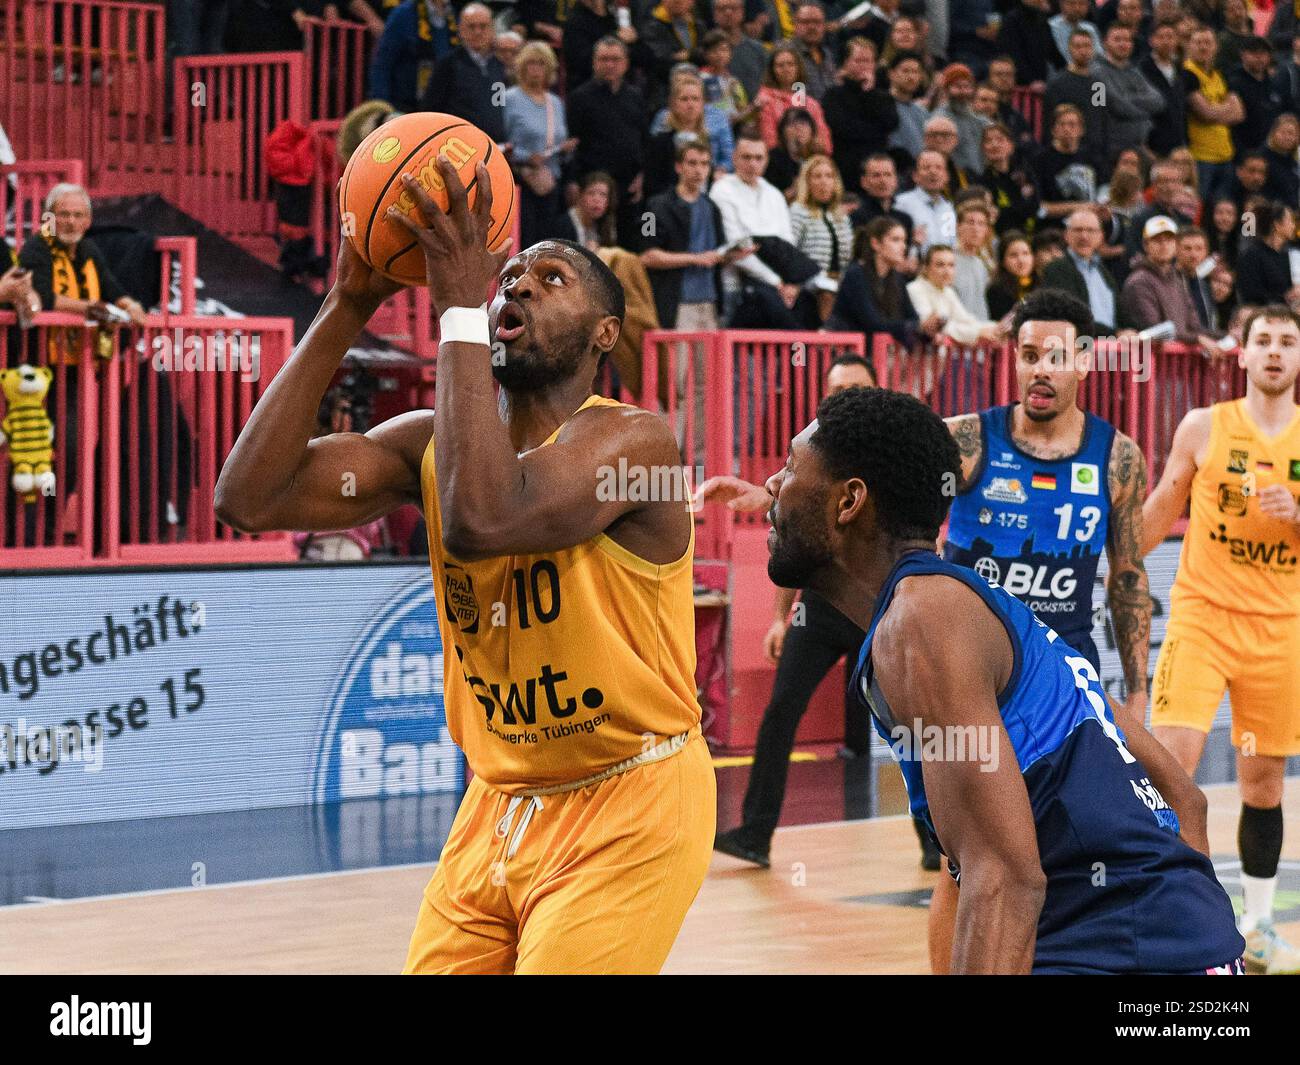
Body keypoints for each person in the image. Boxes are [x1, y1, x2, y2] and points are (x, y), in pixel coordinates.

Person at [215, 163, 715, 974]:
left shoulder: (637, 441)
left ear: (603, 335)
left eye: (549, 279)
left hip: (631, 800)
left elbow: (488, 517)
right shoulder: (428, 442)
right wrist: (348, 303)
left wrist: (456, 308)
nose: (515, 284)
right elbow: (247, 495)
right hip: (496, 804)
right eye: (510, 275)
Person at [714, 382, 1243, 974]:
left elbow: (1007, 879)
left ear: (849, 501)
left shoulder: (921, 621)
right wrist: (1208, 948)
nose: (772, 485)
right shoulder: (975, 610)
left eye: (789, 467)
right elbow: (1185, 801)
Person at [704, 356, 946, 869]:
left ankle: (934, 838)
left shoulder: (889, 459)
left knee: (913, 721)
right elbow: (795, 544)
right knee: (780, 713)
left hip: (871, 605)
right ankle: (755, 832)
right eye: (834, 389)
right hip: (819, 609)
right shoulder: (815, 461)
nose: (839, 398)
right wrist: (778, 616)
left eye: (851, 389)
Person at [1142, 304, 1300, 975]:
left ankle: (1259, 926)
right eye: (1262, 340)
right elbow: (1160, 506)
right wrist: (1109, 557)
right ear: (1241, 354)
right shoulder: (1204, 426)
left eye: (1287, 342)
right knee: (1171, 768)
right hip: (1202, 617)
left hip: (1282, 628)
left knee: (1263, 784)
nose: (1273, 351)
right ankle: (1180, 925)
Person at [565, 37, 650, 249]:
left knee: (629, 243)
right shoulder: (579, 97)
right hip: (593, 186)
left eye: (615, 59)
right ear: (594, 62)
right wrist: (573, 182)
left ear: (626, 63)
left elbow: (643, 139)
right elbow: (571, 146)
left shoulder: (635, 96)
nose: (609, 64)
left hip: (628, 186)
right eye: (604, 59)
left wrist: (641, 175)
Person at [504, 42, 576, 249]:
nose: (536, 69)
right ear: (521, 66)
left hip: (552, 181)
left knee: (546, 244)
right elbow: (500, 139)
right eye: (531, 63)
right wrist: (525, 157)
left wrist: (565, 149)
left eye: (541, 64)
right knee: (524, 241)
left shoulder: (555, 102)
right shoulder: (510, 99)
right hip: (522, 181)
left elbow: (559, 138)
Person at [1120, 215, 1223, 352]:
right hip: (1152, 363)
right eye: (1157, 240)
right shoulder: (1139, 281)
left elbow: (1195, 326)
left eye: (1169, 240)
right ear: (1146, 245)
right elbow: (1154, 330)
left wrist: (1228, 335)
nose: (1164, 245)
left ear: (1175, 244)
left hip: (1177, 365)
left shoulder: (1178, 279)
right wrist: (1197, 339)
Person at [418, 3, 506, 144]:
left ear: (492, 30)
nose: (478, 32)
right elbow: (430, 110)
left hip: (495, 148)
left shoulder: (499, 65)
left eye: (483, 26)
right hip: (459, 147)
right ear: (461, 30)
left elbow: (499, 104)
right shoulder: (447, 65)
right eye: (471, 27)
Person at [822, 37, 898, 193]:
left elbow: (891, 123)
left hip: (877, 169)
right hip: (846, 169)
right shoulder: (833, 95)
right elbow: (843, 128)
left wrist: (869, 93)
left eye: (868, 61)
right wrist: (875, 130)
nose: (863, 66)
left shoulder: (882, 96)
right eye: (858, 61)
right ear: (846, 63)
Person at [1182, 23, 1244, 207]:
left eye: (1208, 43)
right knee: (1198, 207)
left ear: (1216, 47)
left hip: (1225, 154)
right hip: (1200, 156)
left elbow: (1240, 113)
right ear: (1189, 46)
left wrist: (1215, 110)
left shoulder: (1219, 75)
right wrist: (1224, 108)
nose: (1203, 47)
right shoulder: (1187, 73)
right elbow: (1205, 113)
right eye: (1198, 42)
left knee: (1223, 207)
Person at [789, 154, 853, 323]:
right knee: (827, 292)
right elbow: (790, 250)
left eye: (829, 176)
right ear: (807, 182)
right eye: (817, 176)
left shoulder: (842, 216)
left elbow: (849, 255)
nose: (824, 181)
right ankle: (828, 337)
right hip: (809, 281)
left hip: (840, 279)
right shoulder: (798, 211)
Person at [367, 0, 457, 113]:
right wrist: (381, 109)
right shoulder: (404, 14)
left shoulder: (454, 16)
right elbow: (382, 64)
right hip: (402, 108)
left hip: (438, 108)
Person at [1038, 207, 1118, 332]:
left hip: (1112, 347)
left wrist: (1132, 330)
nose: (1084, 236)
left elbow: (1120, 312)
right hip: (1080, 347)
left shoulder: (1103, 271)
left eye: (1090, 230)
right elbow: (1072, 318)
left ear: (1101, 237)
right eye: (1078, 230)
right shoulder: (1057, 269)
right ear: (1066, 235)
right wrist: (1115, 334)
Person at [756, 44, 834, 155]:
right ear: (772, 70)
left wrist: (812, 145)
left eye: (790, 64)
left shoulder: (811, 104)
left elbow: (826, 146)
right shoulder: (765, 100)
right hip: (779, 161)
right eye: (780, 65)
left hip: (811, 160)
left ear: (799, 67)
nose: (786, 69)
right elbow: (770, 143)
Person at [1141, 16, 1190, 157]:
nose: (1166, 42)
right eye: (1161, 37)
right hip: (1153, 146)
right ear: (1151, 40)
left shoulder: (1181, 71)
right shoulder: (1142, 70)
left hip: (1178, 146)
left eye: (1170, 37)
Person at [1235, 200, 1299, 308]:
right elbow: (1250, 295)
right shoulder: (1251, 256)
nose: (1294, 226)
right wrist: (1284, 297)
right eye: (1291, 221)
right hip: (1261, 317)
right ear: (1277, 225)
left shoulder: (1288, 255)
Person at [979, 122, 1038, 237]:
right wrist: (1020, 207)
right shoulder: (981, 181)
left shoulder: (1025, 174)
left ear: (1011, 146)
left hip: (1031, 234)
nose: (994, 145)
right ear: (983, 148)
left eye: (1000, 139)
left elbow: (1035, 206)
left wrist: (1007, 211)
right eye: (988, 141)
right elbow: (997, 219)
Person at [894, 149, 956, 253]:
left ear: (946, 176)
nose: (933, 172)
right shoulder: (901, 204)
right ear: (915, 176)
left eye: (938, 168)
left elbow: (951, 243)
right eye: (926, 167)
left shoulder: (949, 208)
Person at [553, 171, 618, 249]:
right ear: (580, 196)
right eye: (591, 193)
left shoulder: (606, 224)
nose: (597, 199)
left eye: (603, 194)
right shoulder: (563, 226)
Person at [985, 229, 1035, 320]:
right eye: (1013, 255)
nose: (1021, 260)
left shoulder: (1041, 284)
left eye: (1026, 253)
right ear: (1003, 261)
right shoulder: (996, 291)